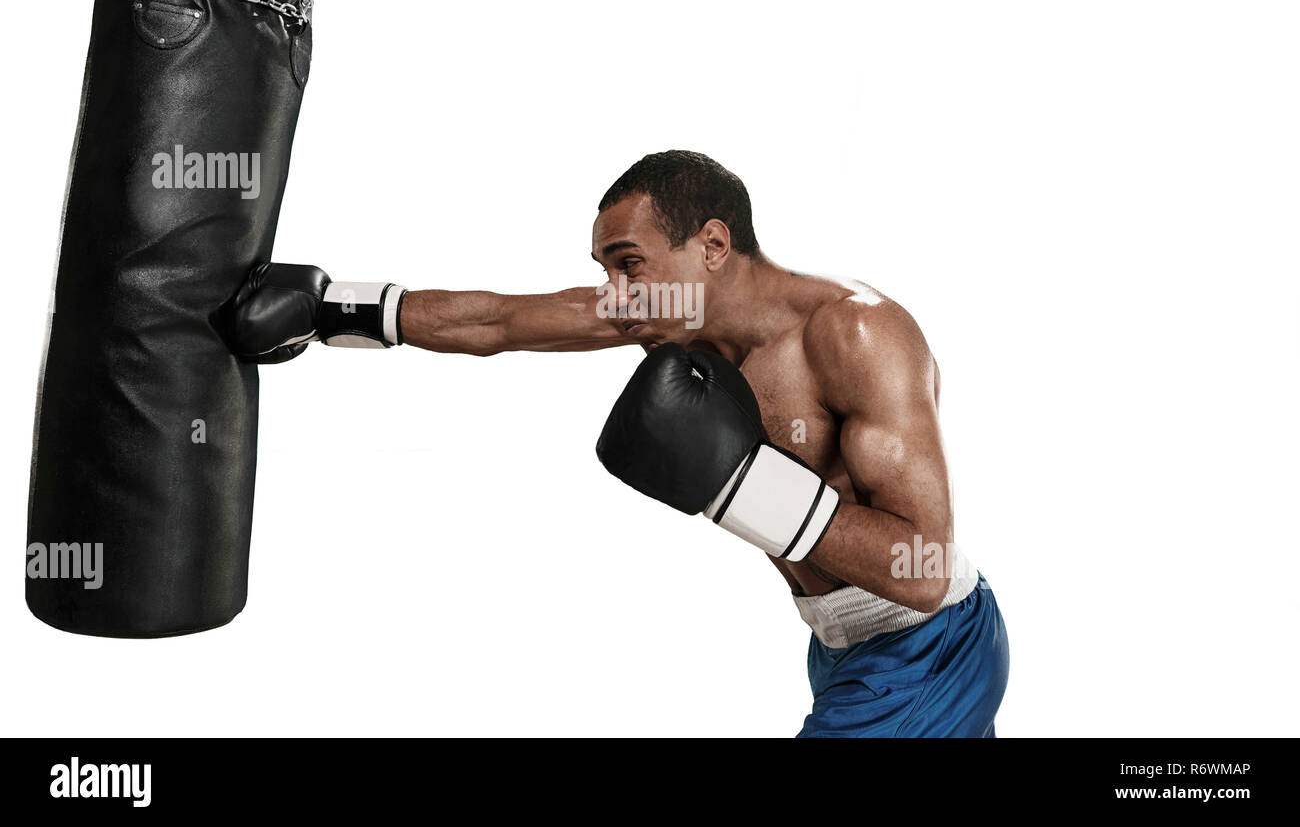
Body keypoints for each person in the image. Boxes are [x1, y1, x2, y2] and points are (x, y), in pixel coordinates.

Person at [226, 150, 1010, 737]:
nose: (617, 297)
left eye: (630, 266)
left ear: (712, 244)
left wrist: (740, 485)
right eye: (606, 271)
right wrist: (331, 310)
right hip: (837, 644)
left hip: (926, 647)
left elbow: (923, 569)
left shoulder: (856, 335)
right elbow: (497, 320)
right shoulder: (670, 313)